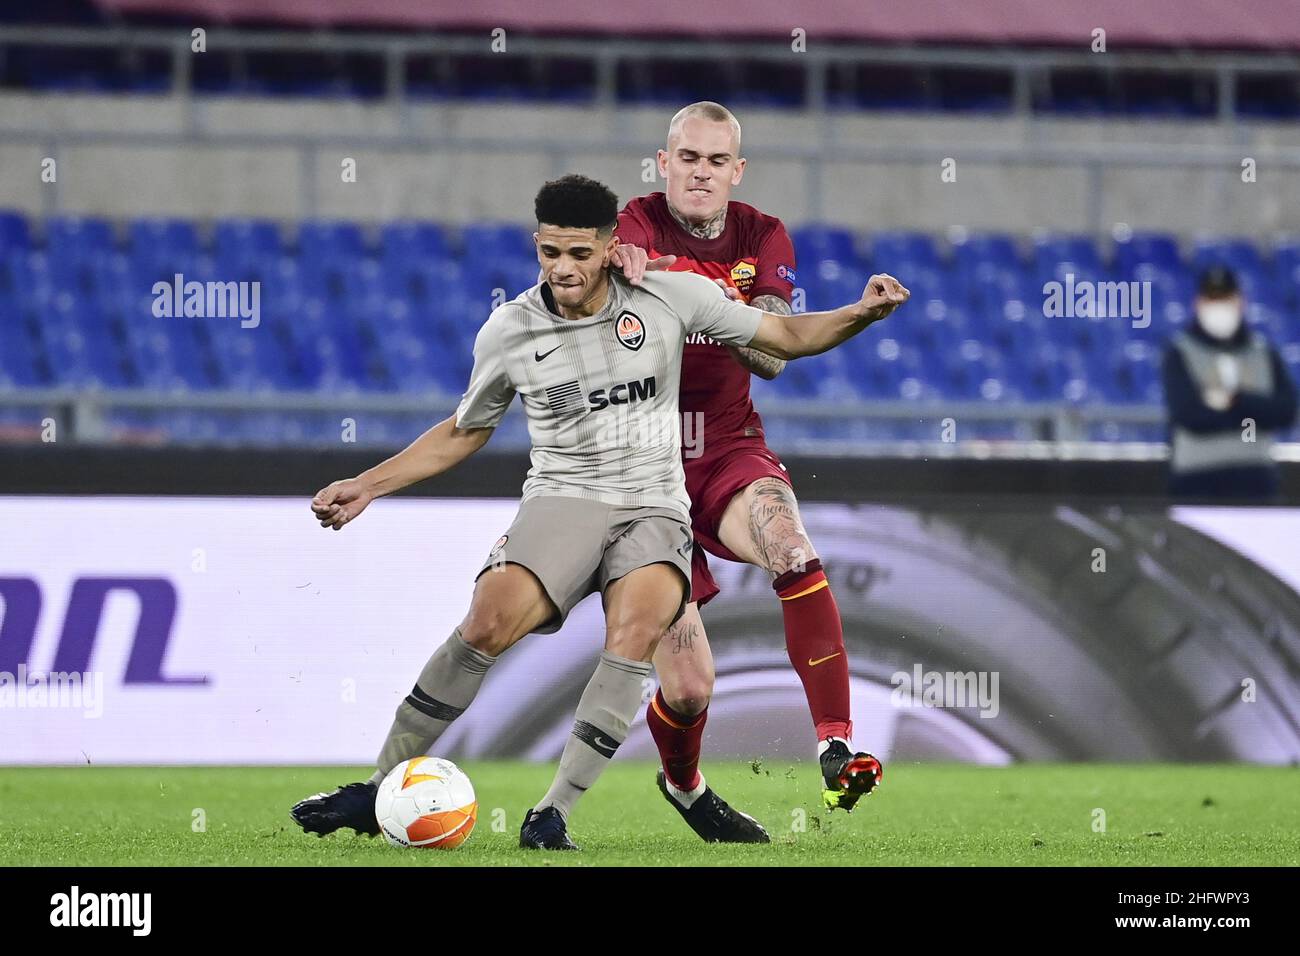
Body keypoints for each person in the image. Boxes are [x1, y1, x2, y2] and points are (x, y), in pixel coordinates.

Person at [289, 173, 910, 850]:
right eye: (551, 253)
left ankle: (551, 814)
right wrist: (370, 484)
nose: (564, 268)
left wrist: (860, 313)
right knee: (486, 623)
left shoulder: (668, 296)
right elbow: (466, 430)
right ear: (537, 246)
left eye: (580, 254)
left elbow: (783, 336)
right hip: (562, 499)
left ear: (611, 247)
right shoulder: (510, 330)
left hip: (653, 508)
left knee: (636, 631)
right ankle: (376, 787)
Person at [608, 102, 883, 842]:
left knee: (793, 548)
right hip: (643, 466)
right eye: (687, 158)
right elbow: (627, 288)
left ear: (737, 170)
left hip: (727, 449)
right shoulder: (633, 220)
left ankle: (835, 743)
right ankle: (685, 786)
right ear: (664, 164)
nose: (700, 172)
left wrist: (844, 313)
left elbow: (770, 354)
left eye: (714, 160)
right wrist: (662, 277)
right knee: (691, 690)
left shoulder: (763, 236)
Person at [1163, 265, 1297, 498]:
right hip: (1197, 480)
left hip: (1256, 479)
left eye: (1225, 298)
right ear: (1198, 303)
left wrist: (1235, 400)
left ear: (1240, 302)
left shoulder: (1263, 351)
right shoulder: (1180, 351)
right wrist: (1254, 413)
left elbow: (1285, 411)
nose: (1220, 306)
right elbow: (1190, 415)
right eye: (1212, 299)